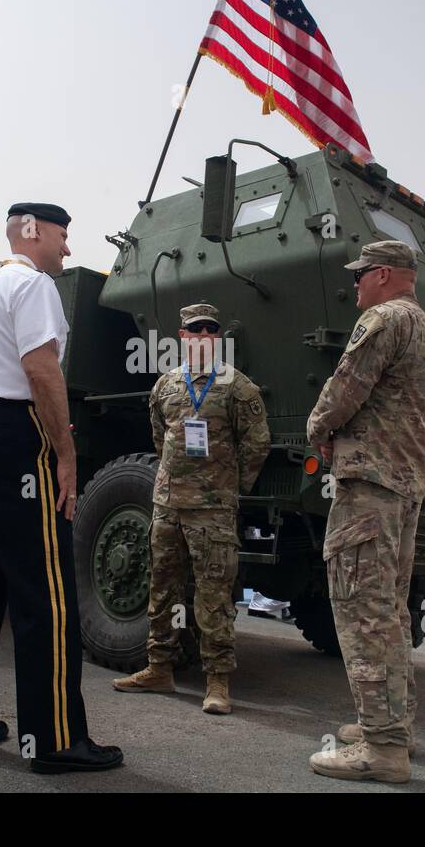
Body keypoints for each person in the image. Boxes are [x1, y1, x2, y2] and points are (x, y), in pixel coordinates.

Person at [0, 202, 123, 775]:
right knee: (48, 589)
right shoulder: (35, 286)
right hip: (16, 434)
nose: (68, 249)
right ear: (34, 231)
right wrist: (64, 453)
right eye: (64, 236)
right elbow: (42, 372)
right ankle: (56, 739)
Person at [305, 240, 425, 784]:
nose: (355, 284)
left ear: (383, 274)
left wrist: (316, 430)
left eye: (361, 274)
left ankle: (383, 749)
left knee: (363, 609)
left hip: (370, 486)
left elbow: (343, 393)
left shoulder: (384, 320)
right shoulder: (424, 327)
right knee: (389, 610)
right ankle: (394, 726)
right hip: (402, 488)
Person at [112, 303, 270, 713]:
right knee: (161, 589)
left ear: (217, 338)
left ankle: (217, 682)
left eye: (210, 330)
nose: (203, 335)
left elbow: (257, 444)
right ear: (182, 337)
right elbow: (158, 436)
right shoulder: (165, 386)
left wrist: (230, 488)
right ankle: (158, 668)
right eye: (195, 329)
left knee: (214, 596)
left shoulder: (238, 387)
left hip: (212, 513)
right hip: (167, 506)